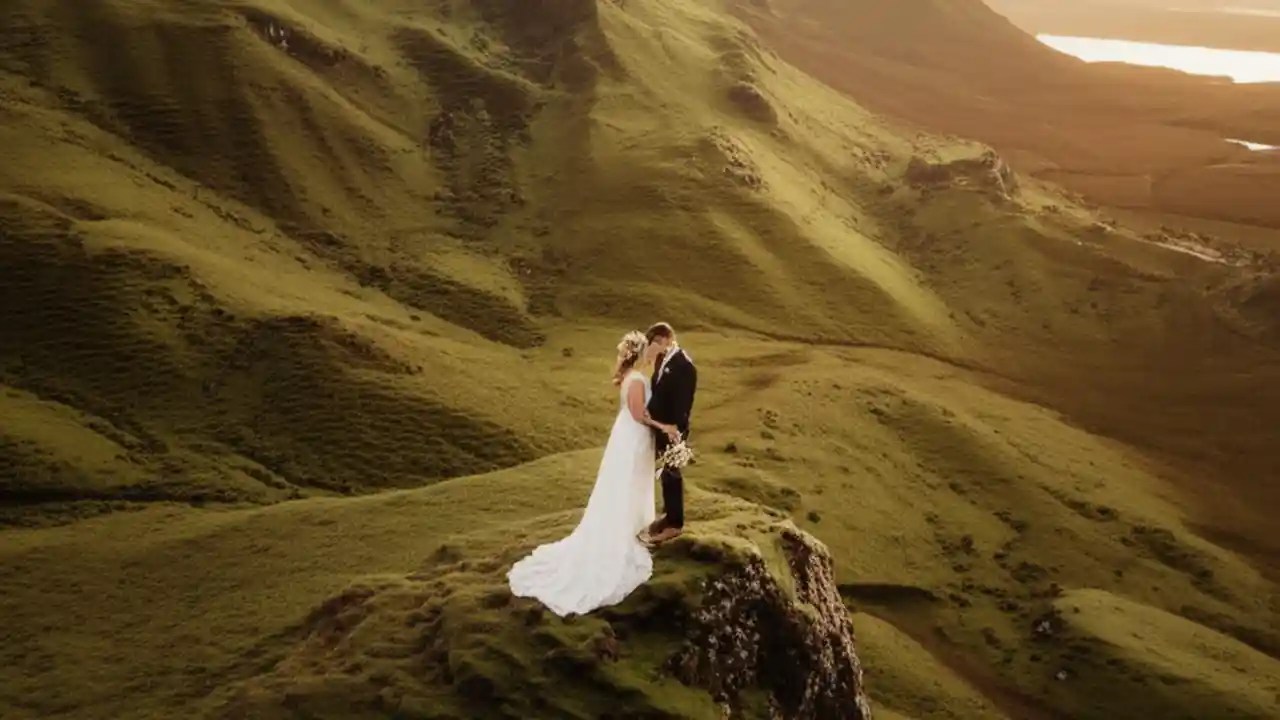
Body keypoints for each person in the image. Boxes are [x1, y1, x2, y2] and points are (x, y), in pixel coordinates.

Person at [507, 331, 680, 616]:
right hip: (634, 436)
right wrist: (666, 428)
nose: (652, 353)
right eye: (647, 349)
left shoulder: (628, 377)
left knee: (625, 485)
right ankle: (626, 534)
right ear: (638, 354)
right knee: (628, 485)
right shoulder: (636, 380)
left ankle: (636, 527)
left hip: (626, 435)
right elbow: (640, 416)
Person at [639, 322, 697, 546]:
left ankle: (675, 523)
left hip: (672, 428)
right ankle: (669, 515)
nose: (652, 348)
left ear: (665, 339)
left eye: (653, 343)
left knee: (672, 471)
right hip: (661, 425)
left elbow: (684, 401)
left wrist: (675, 427)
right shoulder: (665, 360)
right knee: (665, 471)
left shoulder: (684, 365)